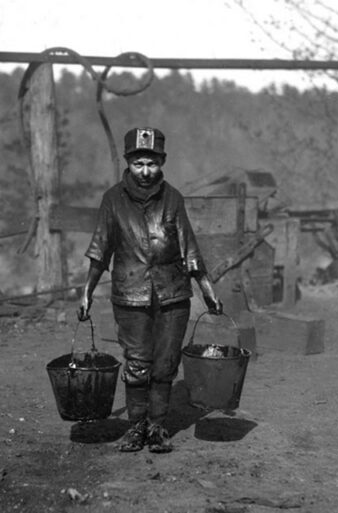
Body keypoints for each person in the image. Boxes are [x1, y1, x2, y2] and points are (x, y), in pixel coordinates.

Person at [77, 127, 222, 453]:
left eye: (152, 163)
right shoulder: (112, 200)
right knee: (137, 363)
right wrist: (87, 290)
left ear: (163, 162)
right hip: (130, 295)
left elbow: (190, 249)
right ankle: (136, 428)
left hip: (173, 295)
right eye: (139, 163)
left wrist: (207, 289)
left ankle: (158, 427)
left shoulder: (173, 198)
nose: (146, 171)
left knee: (165, 364)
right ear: (128, 162)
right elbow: (100, 249)